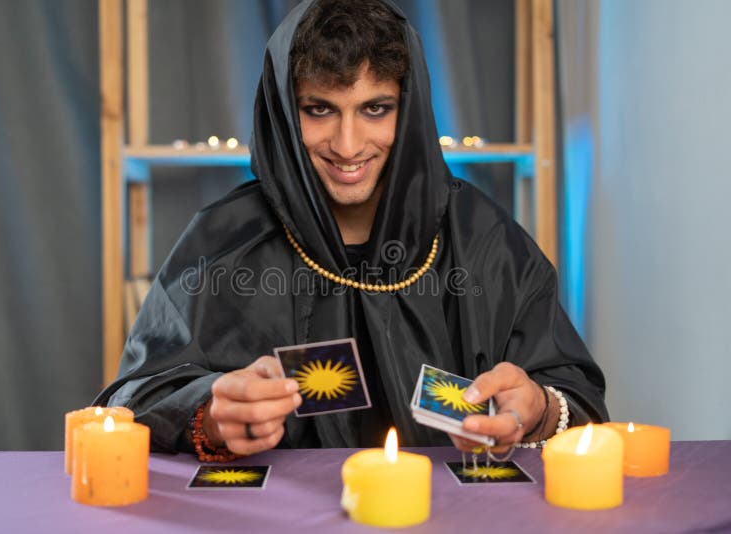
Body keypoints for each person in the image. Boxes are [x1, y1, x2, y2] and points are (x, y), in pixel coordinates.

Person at [95, 0, 608, 460]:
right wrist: (210, 414)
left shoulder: (484, 238)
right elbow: (133, 400)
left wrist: (539, 408)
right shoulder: (221, 241)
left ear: (408, 109)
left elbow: (577, 400)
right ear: (284, 112)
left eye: (375, 109)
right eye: (319, 109)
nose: (347, 145)